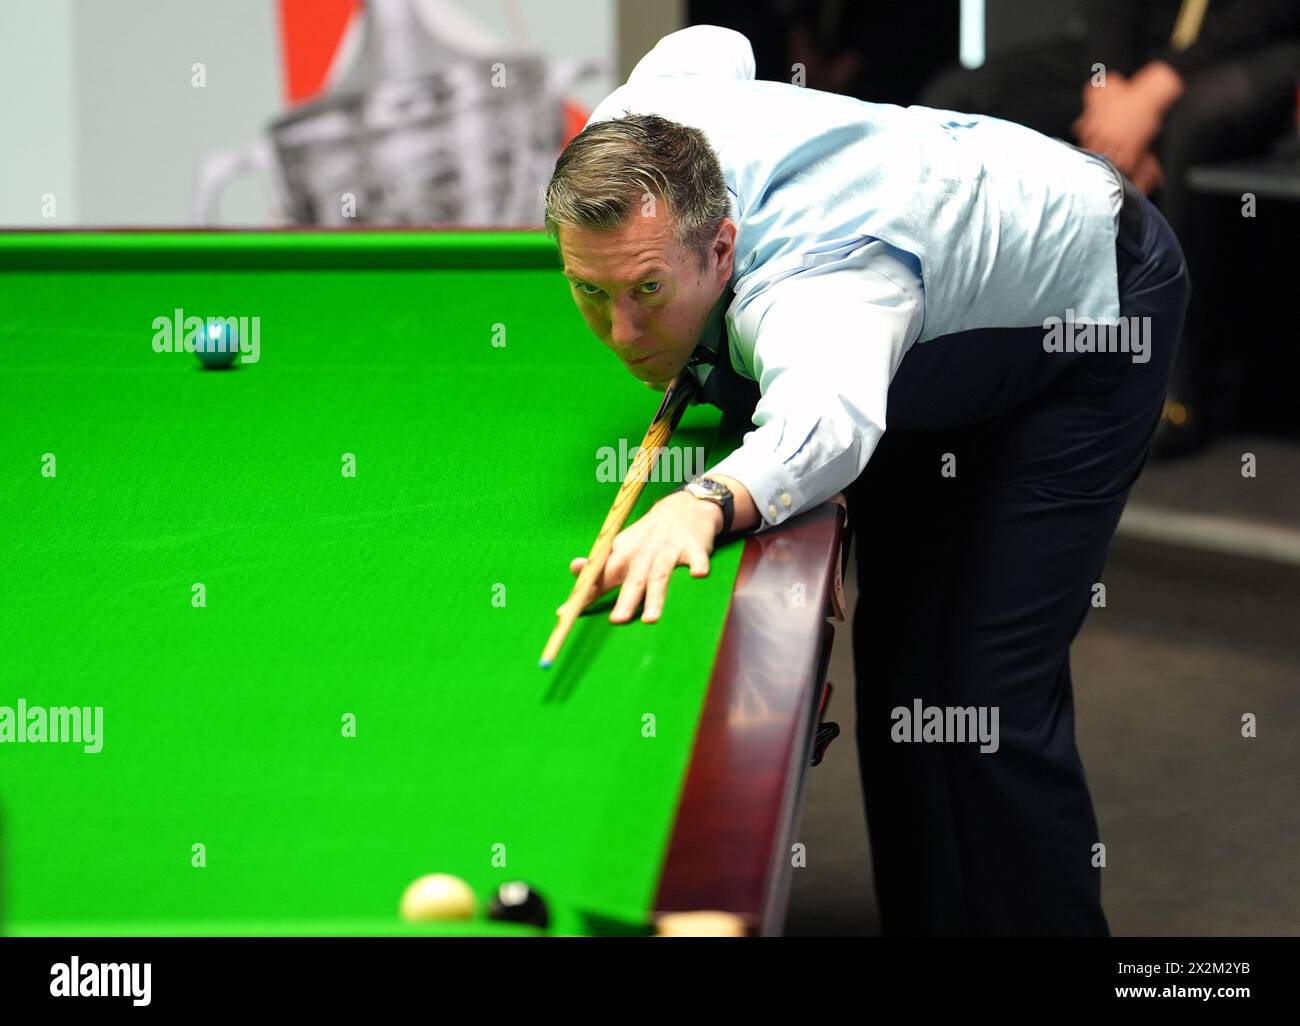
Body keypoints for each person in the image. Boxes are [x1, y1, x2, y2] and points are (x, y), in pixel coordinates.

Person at [543, 25, 1189, 936]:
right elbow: (712, 42)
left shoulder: (816, 287)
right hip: (935, 311)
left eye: (647, 291)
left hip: (1089, 302)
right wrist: (664, 312)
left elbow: (827, 423)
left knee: (984, 697)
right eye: (589, 291)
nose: (619, 332)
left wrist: (702, 502)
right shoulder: (636, 128)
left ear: (722, 247)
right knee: (902, 671)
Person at [920, 0, 1300, 458]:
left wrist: (1150, 98)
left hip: (1250, 48)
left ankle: (1172, 388)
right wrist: (1109, 94)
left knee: (1193, 122)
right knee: (959, 97)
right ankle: (945, 350)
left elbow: (1266, 14)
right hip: (1130, 60)